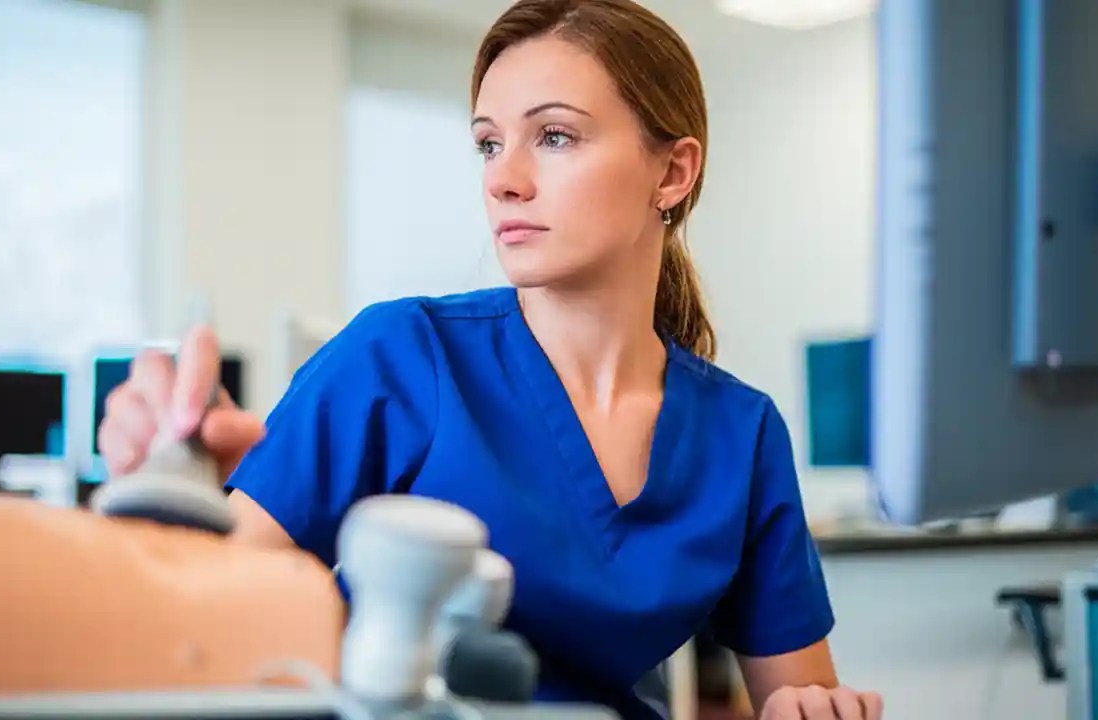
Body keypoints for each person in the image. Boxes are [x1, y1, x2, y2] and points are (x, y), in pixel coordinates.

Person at [97, 1, 884, 718]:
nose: (504, 180)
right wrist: (165, 487)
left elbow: (800, 697)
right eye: (488, 144)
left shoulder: (741, 435)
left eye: (554, 136)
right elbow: (196, 619)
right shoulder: (398, 359)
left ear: (672, 173)